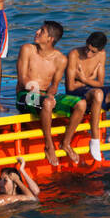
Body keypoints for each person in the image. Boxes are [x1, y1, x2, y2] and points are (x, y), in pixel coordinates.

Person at [15, 20, 81, 167]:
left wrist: (50, 95)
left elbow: (54, 85)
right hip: (25, 95)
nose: (37, 32)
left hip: (45, 96)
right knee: (47, 102)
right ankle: (49, 145)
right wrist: (36, 91)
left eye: (42, 31)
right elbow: (22, 77)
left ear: (50, 39)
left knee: (80, 104)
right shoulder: (27, 49)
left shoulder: (61, 59)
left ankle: (66, 143)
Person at [64, 31, 110, 160]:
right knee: (98, 93)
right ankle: (94, 138)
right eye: (87, 49)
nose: (88, 53)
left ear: (100, 50)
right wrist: (90, 79)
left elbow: (100, 83)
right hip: (76, 93)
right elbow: (71, 87)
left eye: (92, 52)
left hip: (91, 88)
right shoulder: (74, 54)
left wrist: (84, 79)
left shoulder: (102, 55)